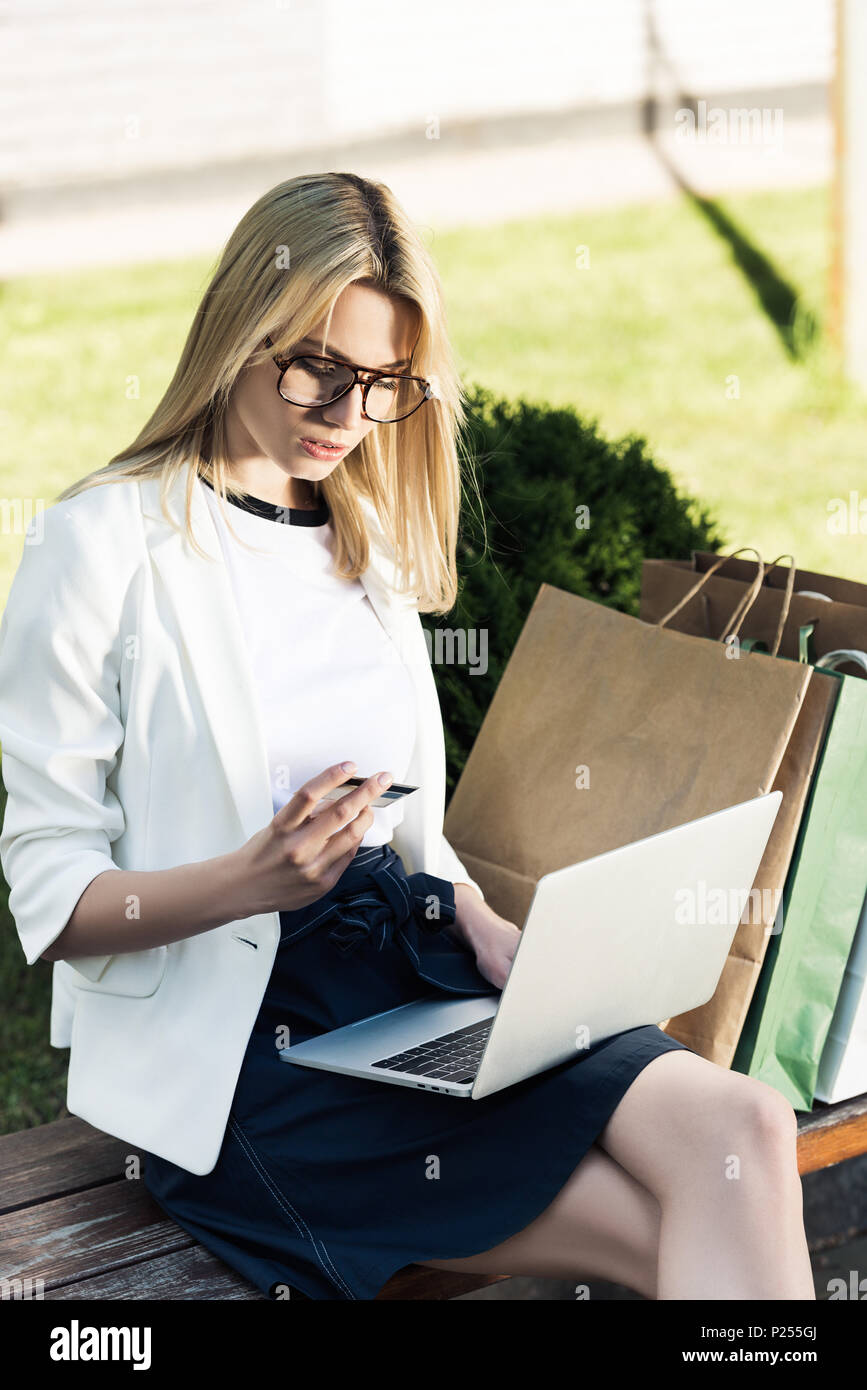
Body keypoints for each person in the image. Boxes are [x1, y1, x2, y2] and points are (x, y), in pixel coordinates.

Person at [0, 172, 814, 1302]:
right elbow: (49, 893)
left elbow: (411, 834)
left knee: (745, 1126)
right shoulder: (101, 546)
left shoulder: (361, 542)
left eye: (381, 387)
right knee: (668, 1221)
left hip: (420, 980)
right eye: (318, 372)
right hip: (246, 1064)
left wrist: (481, 919)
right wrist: (251, 880)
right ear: (240, 329)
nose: (345, 420)